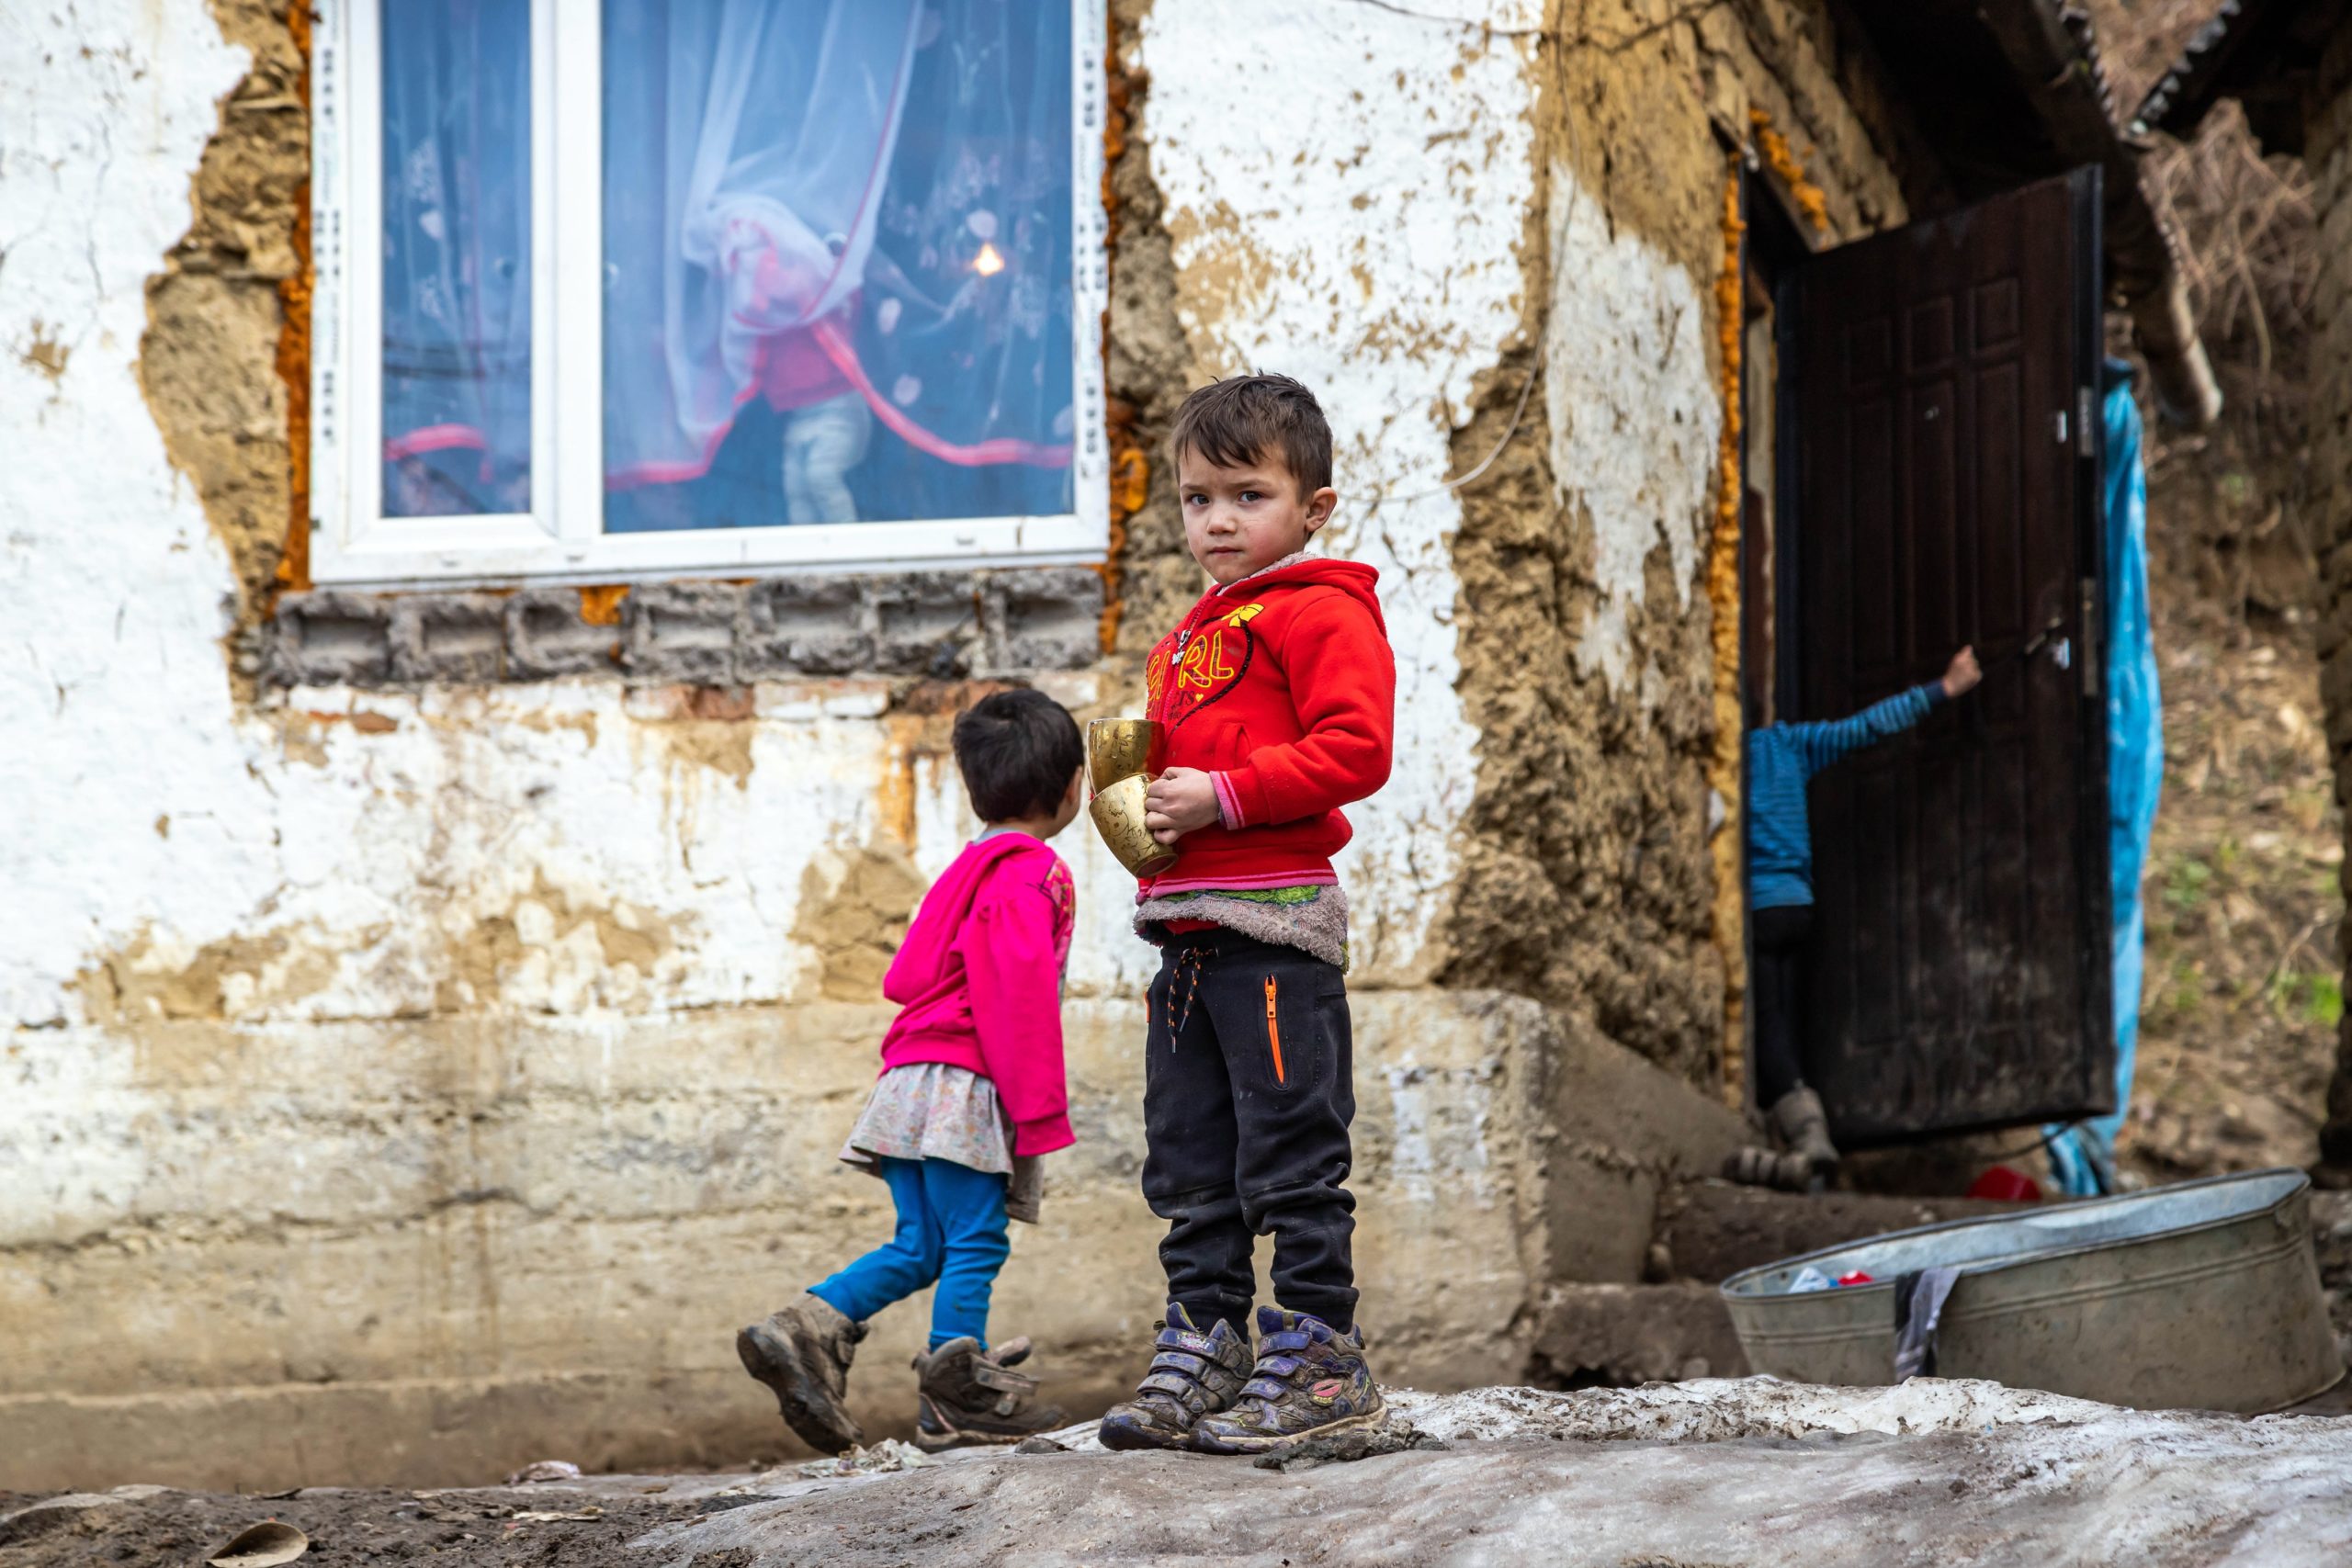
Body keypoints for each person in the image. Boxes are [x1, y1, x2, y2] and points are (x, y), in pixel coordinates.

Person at [1096, 374, 1396, 1455]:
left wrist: (1222, 795)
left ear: (1312, 508)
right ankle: (1208, 1342)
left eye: (1247, 496)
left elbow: (1357, 749)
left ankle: (1319, 1358)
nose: (1217, 521)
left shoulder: (1322, 611)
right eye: (1196, 500)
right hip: (1183, 932)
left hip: (1273, 929)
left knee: (1290, 1157)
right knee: (1188, 1161)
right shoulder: (1186, 637)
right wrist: (1144, 812)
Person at [736, 688, 1084, 1453]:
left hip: (909, 1082)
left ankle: (806, 1326)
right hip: (964, 1083)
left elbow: (914, 975)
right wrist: (1037, 1108)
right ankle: (956, 1401)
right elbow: (1017, 994)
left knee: (923, 1243)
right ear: (1071, 788)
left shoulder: (966, 870)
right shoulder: (1033, 874)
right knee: (976, 1240)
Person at [1732, 646, 1984, 1190]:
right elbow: (1867, 726)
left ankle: (1809, 1138)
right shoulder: (1789, 744)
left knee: (1766, 1027)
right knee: (1786, 1019)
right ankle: (1794, 1138)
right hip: (1798, 905)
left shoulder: (1728, 765)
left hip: (1759, 910)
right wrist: (1943, 688)